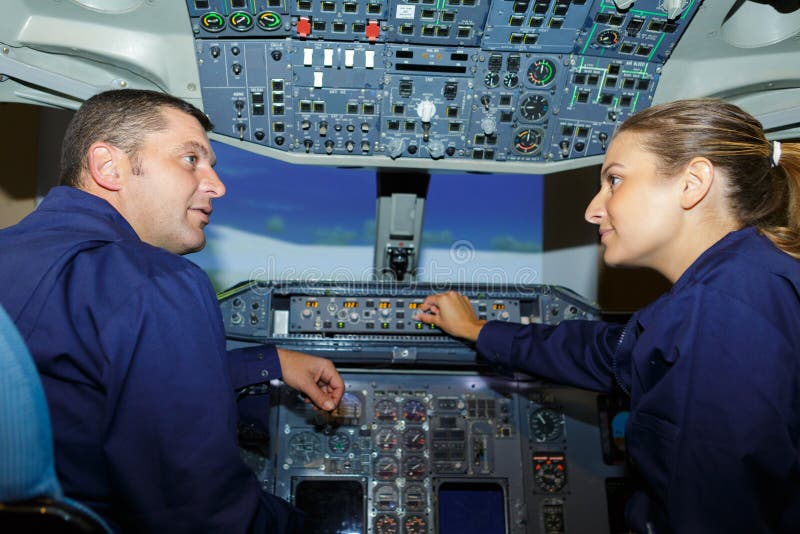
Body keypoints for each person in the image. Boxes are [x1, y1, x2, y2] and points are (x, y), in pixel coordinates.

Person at [416, 99, 800, 533]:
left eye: (614, 180)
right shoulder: (726, 291)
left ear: (692, 183)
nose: (593, 210)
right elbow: (607, 352)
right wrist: (477, 329)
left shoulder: (725, 309)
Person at [0, 89, 345, 532]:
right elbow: (202, 516)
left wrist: (267, 362)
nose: (217, 186)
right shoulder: (155, 281)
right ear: (109, 167)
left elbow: (73, 377)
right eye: (190, 160)